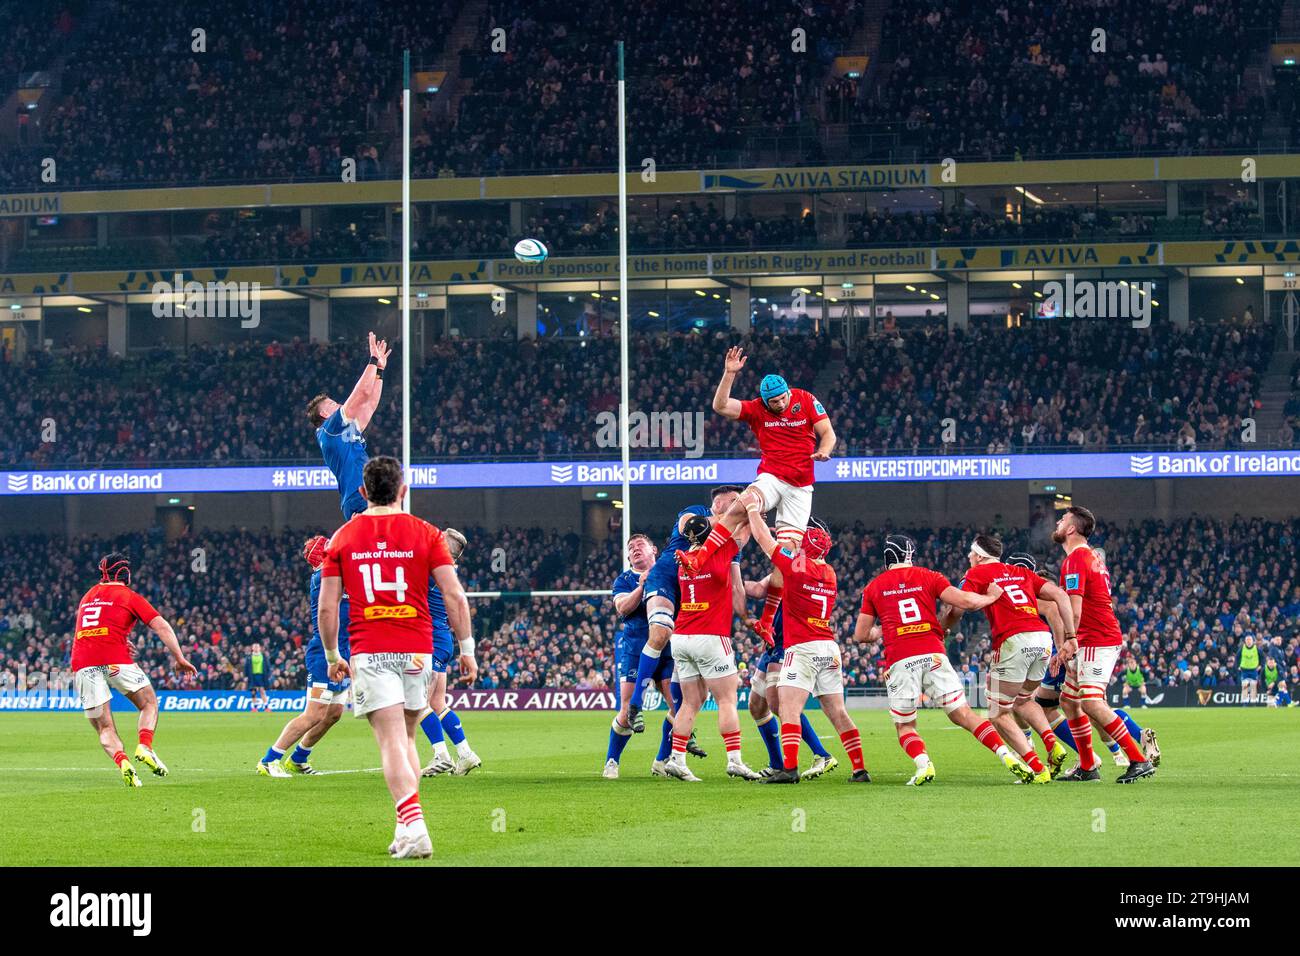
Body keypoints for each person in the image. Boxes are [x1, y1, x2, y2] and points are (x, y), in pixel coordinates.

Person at [319, 456, 472, 859]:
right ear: (403, 490)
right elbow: (455, 595)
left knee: (390, 743)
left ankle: (416, 827)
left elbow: (328, 607)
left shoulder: (343, 537)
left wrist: (333, 654)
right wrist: (468, 648)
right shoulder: (428, 533)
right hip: (418, 651)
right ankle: (403, 829)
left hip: (371, 650)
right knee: (406, 740)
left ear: (363, 491)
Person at [676, 347, 836, 647]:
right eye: (774, 402)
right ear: (765, 400)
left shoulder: (805, 399)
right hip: (772, 477)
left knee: (785, 557)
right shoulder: (756, 409)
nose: (781, 404)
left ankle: (766, 621)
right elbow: (721, 406)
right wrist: (729, 374)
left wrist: (824, 451)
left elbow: (828, 433)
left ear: (788, 392)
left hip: (801, 488)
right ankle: (698, 558)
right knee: (742, 504)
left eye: (783, 398)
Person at [853, 534, 1024, 786]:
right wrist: (990, 597)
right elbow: (966, 601)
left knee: (905, 725)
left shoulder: (874, 587)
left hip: (900, 658)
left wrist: (882, 629)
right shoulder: (929, 575)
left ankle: (924, 765)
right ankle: (1006, 755)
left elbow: (861, 635)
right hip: (933, 653)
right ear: (910, 555)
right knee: (964, 714)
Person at [743, 508, 870, 785]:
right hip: (828, 647)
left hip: (802, 648)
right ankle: (860, 769)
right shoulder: (829, 572)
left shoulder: (796, 567)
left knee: (788, 708)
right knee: (838, 712)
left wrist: (752, 511)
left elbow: (764, 540)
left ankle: (788, 769)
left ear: (806, 546)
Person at [939, 536, 1077, 783]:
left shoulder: (976, 574)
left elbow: (956, 609)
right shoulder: (1019, 572)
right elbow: (1061, 596)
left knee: (997, 713)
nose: (969, 557)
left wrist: (940, 630)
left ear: (979, 556)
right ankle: (1052, 745)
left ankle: (1037, 768)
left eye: (971, 553)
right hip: (1041, 639)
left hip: (1013, 641)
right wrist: (1070, 636)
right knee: (1023, 700)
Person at [624, 485, 745, 733]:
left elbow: (737, 580)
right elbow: (686, 526)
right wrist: (735, 515)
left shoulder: (729, 537)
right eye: (734, 501)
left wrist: (747, 617)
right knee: (660, 633)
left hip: (692, 597)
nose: (738, 506)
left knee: (694, 692)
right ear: (719, 503)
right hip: (666, 577)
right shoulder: (697, 511)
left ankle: (672, 749)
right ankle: (636, 702)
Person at [71, 552, 196, 787]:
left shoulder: (87, 597)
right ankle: (145, 746)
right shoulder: (129, 596)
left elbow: (91, 628)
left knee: (104, 727)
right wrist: (179, 658)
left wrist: (119, 638)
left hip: (83, 664)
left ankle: (123, 762)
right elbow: (161, 626)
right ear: (124, 574)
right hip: (116, 660)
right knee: (149, 703)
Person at [1052, 506, 1155, 782]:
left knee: (1091, 702)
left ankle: (1138, 759)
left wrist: (1069, 641)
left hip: (1096, 639)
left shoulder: (1076, 559)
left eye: (1063, 519)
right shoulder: (1091, 557)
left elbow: (1074, 610)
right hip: (1091, 638)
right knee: (1069, 701)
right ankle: (1088, 766)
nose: (1058, 522)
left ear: (1071, 529)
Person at [662, 516, 761, 782]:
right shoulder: (719, 551)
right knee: (726, 700)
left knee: (690, 702)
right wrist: (752, 513)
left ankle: (677, 759)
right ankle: (735, 760)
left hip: (682, 636)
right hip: (710, 636)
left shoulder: (683, 562)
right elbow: (743, 535)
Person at [257, 535, 351, 777]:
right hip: (326, 654)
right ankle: (269, 759)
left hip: (344, 651)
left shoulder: (335, 574)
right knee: (314, 714)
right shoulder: (323, 576)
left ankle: (298, 758)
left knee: (333, 714)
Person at [602, 534, 688, 779]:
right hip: (635, 650)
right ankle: (612, 761)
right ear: (629, 558)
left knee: (679, 706)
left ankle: (661, 761)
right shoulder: (624, 580)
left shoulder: (669, 572)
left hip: (668, 650)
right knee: (627, 710)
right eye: (631, 548)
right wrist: (642, 586)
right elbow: (622, 608)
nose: (635, 549)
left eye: (640, 545)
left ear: (654, 549)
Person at [745, 577, 838, 779]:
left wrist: (729, 577)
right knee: (756, 704)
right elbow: (761, 588)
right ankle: (777, 764)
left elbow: (758, 590)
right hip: (773, 643)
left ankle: (822, 754)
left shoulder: (796, 570)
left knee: (779, 704)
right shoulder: (785, 569)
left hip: (788, 642)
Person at [306, 331, 390, 521]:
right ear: (324, 414)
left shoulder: (342, 430)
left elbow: (369, 405)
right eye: (332, 404)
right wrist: (373, 360)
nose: (338, 404)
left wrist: (379, 371)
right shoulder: (330, 428)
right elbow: (362, 393)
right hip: (358, 495)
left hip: (365, 494)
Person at [418, 528, 482, 776]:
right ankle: (465, 754)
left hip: (429, 639)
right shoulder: (446, 571)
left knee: (418, 702)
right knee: (437, 703)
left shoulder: (433, 568)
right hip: (442, 639)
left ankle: (441, 755)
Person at [245, 642, 271, 713]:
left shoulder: (263, 656)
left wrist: (269, 674)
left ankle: (266, 707)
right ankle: (254, 708)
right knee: (253, 691)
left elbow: (267, 666)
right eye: (255, 647)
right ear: (252, 648)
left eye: (257, 647)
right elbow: (246, 667)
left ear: (260, 648)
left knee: (262, 691)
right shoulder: (249, 657)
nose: (256, 648)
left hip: (261, 675)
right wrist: (246, 676)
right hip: (252, 676)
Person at [1239, 634, 1261, 705]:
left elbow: (1263, 657)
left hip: (1253, 670)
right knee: (1244, 685)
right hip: (1244, 670)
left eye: (1250, 640)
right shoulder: (1242, 648)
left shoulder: (1257, 648)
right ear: (1245, 641)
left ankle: (1253, 702)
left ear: (1253, 641)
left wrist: (1261, 666)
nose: (1248, 641)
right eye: (1247, 640)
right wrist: (1237, 666)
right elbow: (1237, 658)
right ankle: (1245, 702)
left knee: (1253, 685)